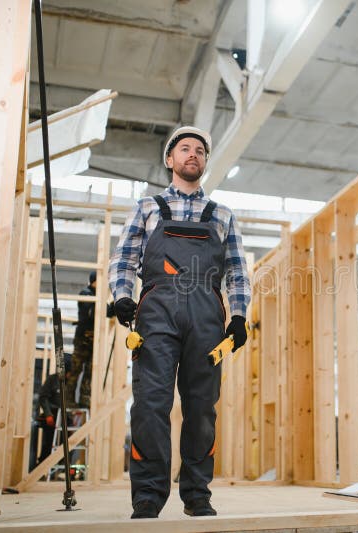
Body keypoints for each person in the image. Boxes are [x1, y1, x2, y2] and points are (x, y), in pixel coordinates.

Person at [109, 125, 250, 519]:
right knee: (151, 404)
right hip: (157, 313)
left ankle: (197, 495)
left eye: (200, 151)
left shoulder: (222, 215)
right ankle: (148, 496)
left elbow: (237, 271)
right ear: (170, 159)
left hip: (207, 317)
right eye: (184, 148)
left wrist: (239, 316)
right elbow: (124, 259)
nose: (193, 154)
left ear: (204, 162)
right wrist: (122, 296)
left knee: (202, 408)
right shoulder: (147, 207)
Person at [65, 272, 114, 407]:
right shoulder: (86, 294)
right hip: (83, 340)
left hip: (93, 341)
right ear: (94, 281)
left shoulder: (99, 297)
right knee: (75, 370)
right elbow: (93, 311)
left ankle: (84, 400)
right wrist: (107, 307)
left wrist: (115, 306)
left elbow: (108, 312)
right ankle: (67, 400)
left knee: (90, 371)